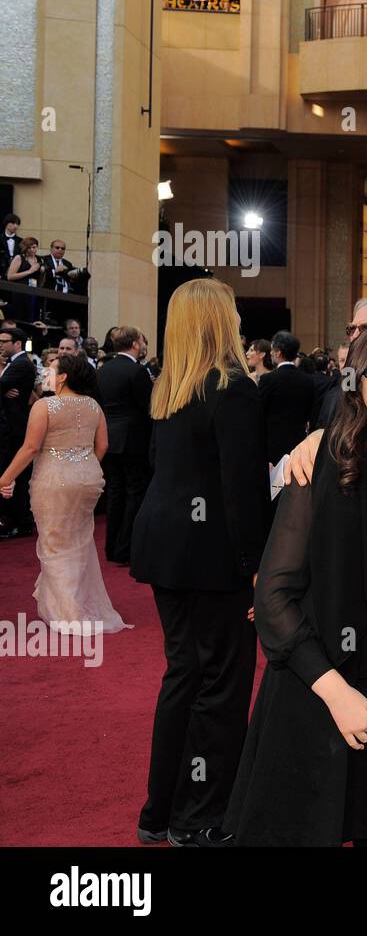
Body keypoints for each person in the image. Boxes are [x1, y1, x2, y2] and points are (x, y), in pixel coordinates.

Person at [224, 322, 367, 847]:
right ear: (357, 380)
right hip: (316, 682)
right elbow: (274, 594)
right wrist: (337, 694)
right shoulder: (321, 465)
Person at [131, 280, 272, 848]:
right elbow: (242, 490)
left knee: (183, 675)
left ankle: (158, 813)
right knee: (221, 683)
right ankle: (200, 818)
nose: (239, 319)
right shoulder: (233, 388)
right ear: (221, 320)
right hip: (214, 558)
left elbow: (158, 467)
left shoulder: (168, 388)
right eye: (233, 311)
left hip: (165, 548)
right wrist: (258, 565)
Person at [0, 352, 128, 633]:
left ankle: (68, 611)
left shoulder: (46, 406)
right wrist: (83, 463)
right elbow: (103, 445)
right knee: (79, 539)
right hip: (88, 478)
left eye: (50, 369)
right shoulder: (93, 405)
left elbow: (31, 448)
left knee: (54, 543)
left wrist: (5, 477)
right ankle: (71, 602)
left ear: (63, 377)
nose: (45, 373)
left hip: (54, 480)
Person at [97, 326, 153, 565]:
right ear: (134, 344)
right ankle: (125, 549)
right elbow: (149, 407)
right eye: (141, 340)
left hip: (108, 438)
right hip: (133, 440)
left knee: (115, 493)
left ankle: (111, 548)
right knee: (134, 493)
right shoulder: (137, 372)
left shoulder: (103, 370)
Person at [258, 330, 315, 466]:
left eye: (272, 350)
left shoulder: (268, 379)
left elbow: (259, 411)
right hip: (299, 444)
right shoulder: (308, 380)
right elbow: (309, 412)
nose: (270, 353)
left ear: (278, 353)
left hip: (272, 447)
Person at [0, 326, 37, 538]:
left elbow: (3, 386)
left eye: (4, 341)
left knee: (18, 476)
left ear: (17, 344)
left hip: (15, 429)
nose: (0, 345)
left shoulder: (21, 364)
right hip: (11, 427)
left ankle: (21, 522)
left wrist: (4, 389)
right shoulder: (15, 364)